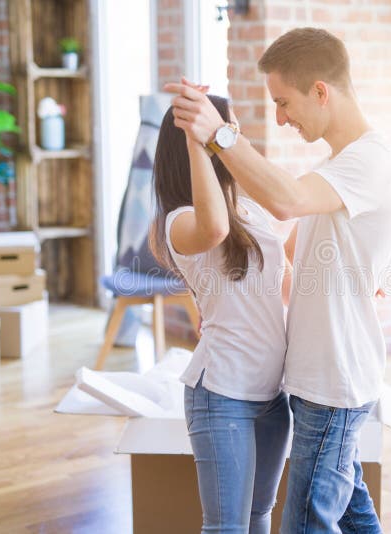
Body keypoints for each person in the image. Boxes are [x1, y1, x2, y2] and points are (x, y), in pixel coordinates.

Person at [165, 27, 391, 533]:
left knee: (303, 524)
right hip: (316, 378)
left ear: (321, 91)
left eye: (283, 102)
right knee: (353, 513)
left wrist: (219, 134)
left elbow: (286, 201)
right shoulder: (338, 166)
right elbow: (295, 247)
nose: (280, 118)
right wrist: (361, 266)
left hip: (334, 380)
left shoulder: (370, 158)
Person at [150, 94, 291, 533]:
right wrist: (199, 138)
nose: (234, 141)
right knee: (227, 527)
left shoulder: (248, 211)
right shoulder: (179, 221)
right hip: (222, 395)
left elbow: (281, 286)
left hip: (273, 396)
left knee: (258, 517)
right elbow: (214, 229)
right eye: (222, 132)